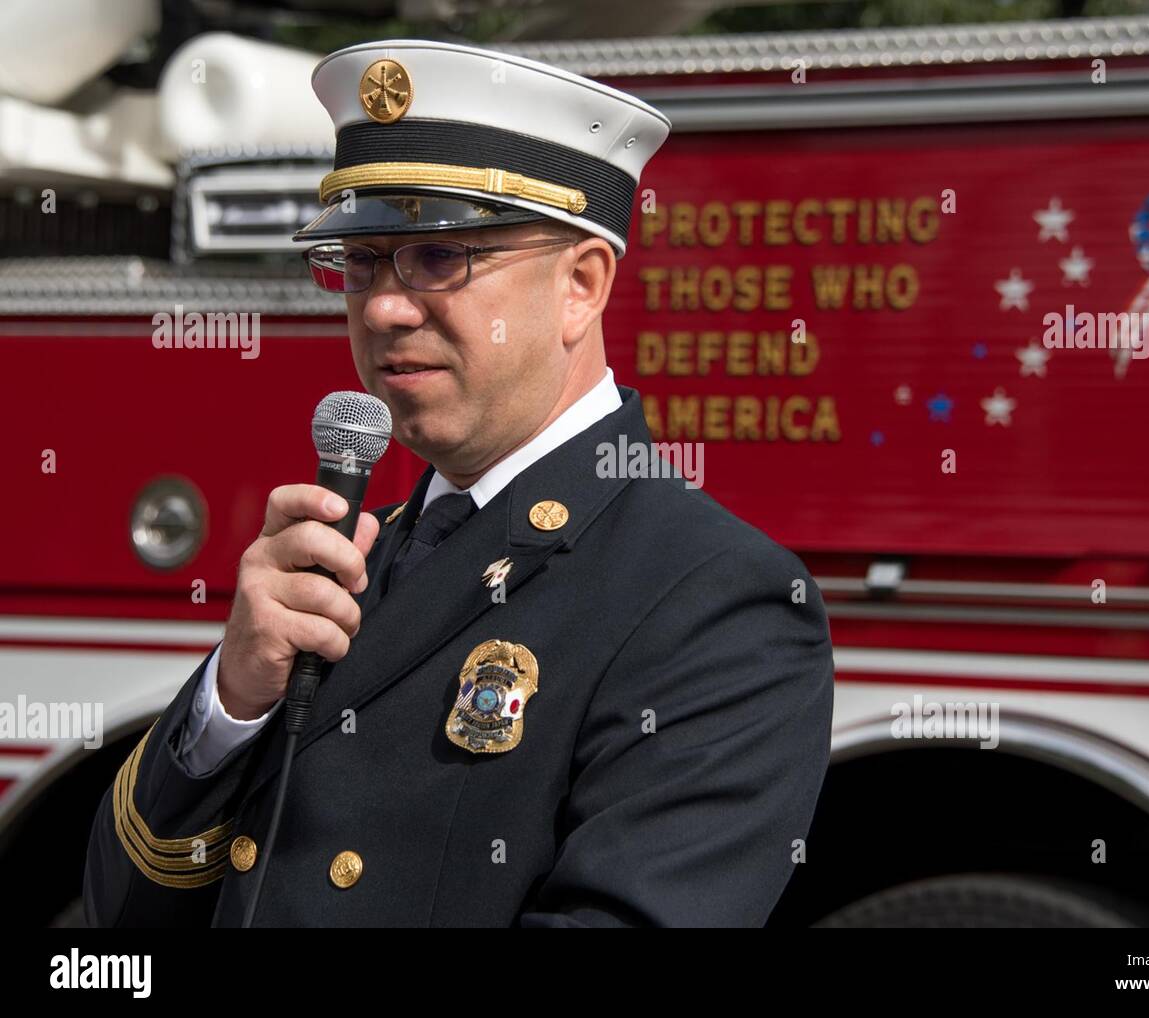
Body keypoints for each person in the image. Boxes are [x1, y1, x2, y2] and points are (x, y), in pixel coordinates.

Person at [83, 38, 834, 927]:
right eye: (360, 262)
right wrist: (232, 702)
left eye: (440, 257)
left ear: (582, 287)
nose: (383, 307)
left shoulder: (716, 602)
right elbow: (116, 916)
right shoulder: (362, 551)